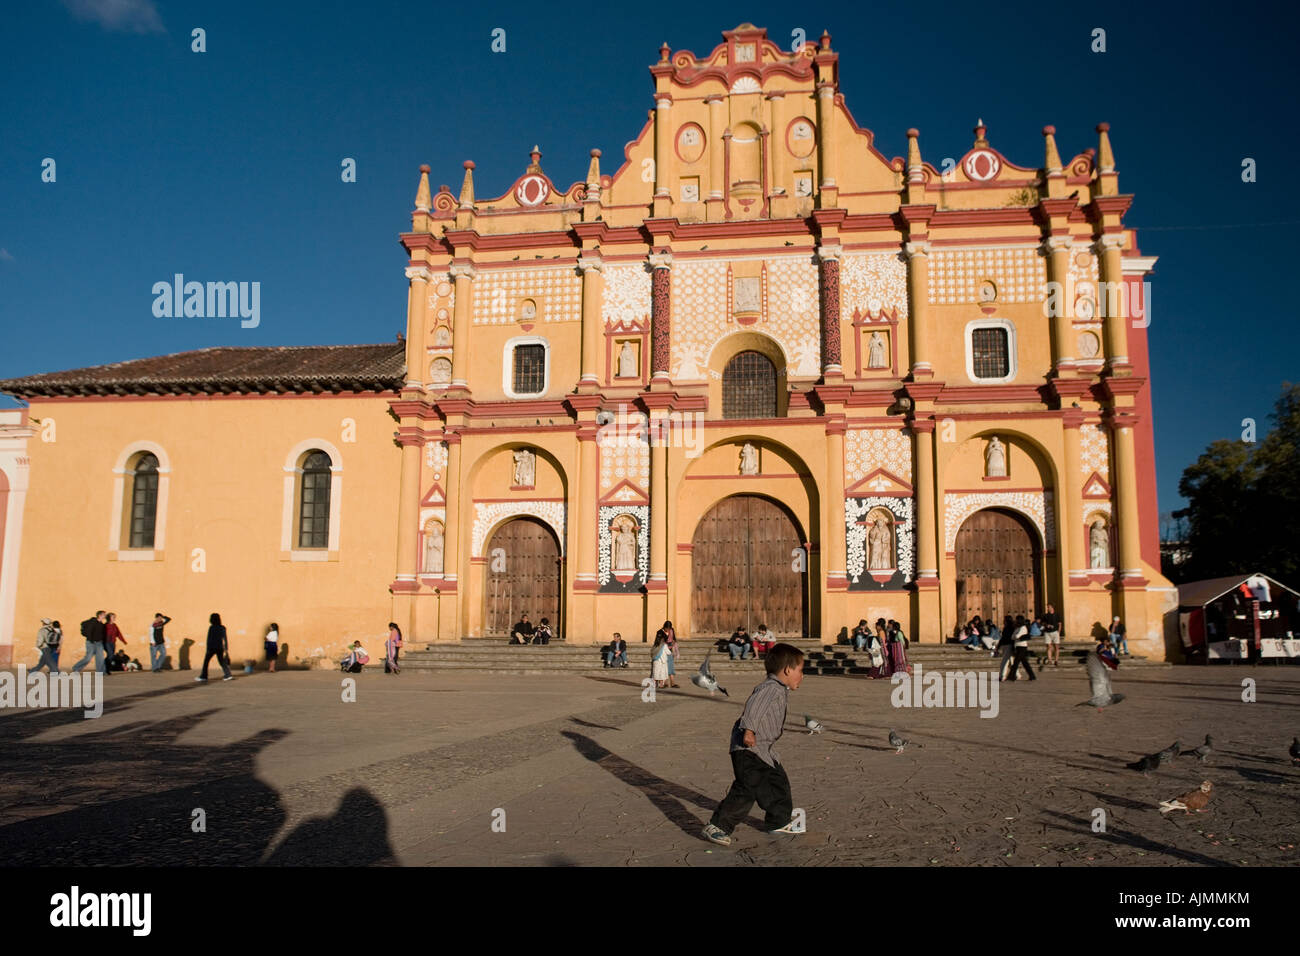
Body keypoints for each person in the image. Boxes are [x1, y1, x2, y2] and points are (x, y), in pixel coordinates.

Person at [702, 643, 807, 846]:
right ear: (787, 670)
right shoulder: (770, 689)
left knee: (778, 783)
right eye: (800, 670)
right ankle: (718, 826)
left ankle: (778, 822)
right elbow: (754, 707)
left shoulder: (778, 688)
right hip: (748, 748)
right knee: (747, 788)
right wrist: (749, 730)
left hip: (763, 750)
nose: (802, 675)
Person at [196, 612, 233, 682]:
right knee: (222, 662)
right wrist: (226, 649)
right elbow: (225, 639)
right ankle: (228, 675)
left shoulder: (211, 628)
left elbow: (209, 639)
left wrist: (207, 649)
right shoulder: (222, 628)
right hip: (220, 648)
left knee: (206, 662)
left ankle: (204, 676)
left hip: (212, 648)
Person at [71, 610, 109, 676]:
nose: (105, 616)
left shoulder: (102, 624)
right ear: (99, 615)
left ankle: (101, 672)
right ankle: (76, 668)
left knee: (100, 658)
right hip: (91, 642)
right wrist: (91, 640)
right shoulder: (93, 622)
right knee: (88, 658)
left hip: (99, 643)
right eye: (104, 615)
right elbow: (89, 632)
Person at [1006, 614, 1037, 681]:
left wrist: (1015, 637)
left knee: (1016, 662)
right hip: (1017, 646)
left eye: (1017, 620)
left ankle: (1012, 676)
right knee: (1025, 663)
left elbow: (1017, 636)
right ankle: (1032, 675)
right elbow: (1013, 636)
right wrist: (1015, 637)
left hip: (1022, 647)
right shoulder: (1017, 628)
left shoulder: (1023, 628)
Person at [656, 620, 679, 687]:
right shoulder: (660, 632)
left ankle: (672, 682)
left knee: (671, 666)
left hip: (670, 650)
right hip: (662, 651)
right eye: (667, 629)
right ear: (664, 627)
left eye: (669, 629)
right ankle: (665, 682)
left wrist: (673, 643)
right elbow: (658, 642)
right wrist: (667, 642)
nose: (668, 630)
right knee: (664, 667)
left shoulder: (672, 630)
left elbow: (674, 639)